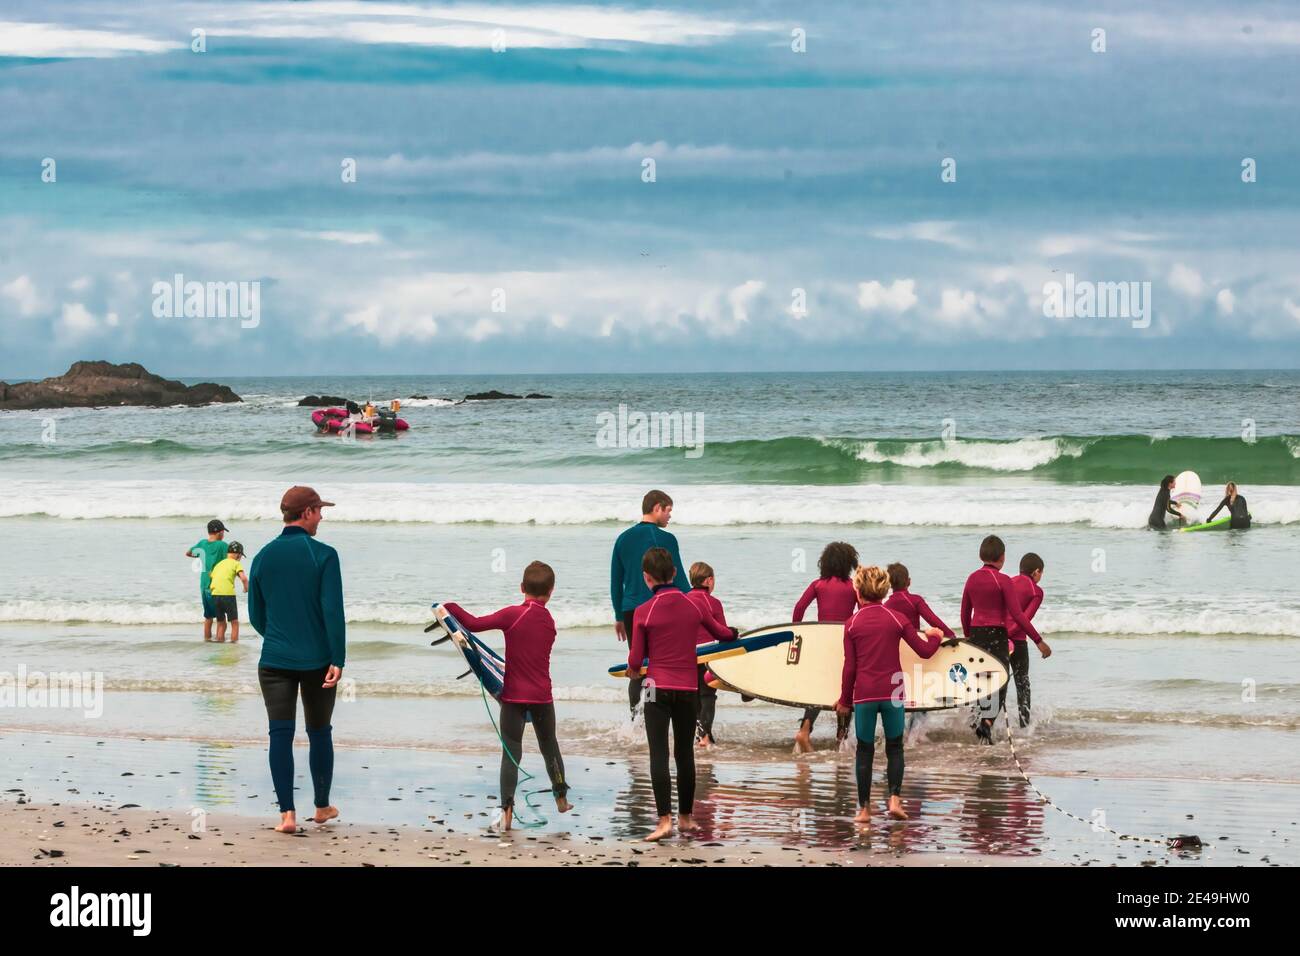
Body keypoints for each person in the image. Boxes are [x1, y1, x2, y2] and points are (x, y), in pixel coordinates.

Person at [444, 561, 572, 831]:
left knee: (511, 753)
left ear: (522, 587)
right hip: (542, 697)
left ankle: (507, 813)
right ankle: (561, 798)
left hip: (513, 698)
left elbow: (474, 624)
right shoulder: (550, 622)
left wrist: (449, 607)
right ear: (551, 592)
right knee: (549, 745)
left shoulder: (513, 615)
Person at [248, 486, 346, 834]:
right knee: (319, 732)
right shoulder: (324, 555)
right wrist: (338, 656)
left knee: (279, 734)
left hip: (273, 660)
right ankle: (321, 807)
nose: (321, 516)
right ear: (306, 512)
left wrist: (279, 638)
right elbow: (332, 611)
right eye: (319, 510)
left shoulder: (261, 556)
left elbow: (256, 615)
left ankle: (286, 816)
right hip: (318, 660)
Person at [629, 547, 738, 841]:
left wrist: (632, 671)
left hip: (654, 689)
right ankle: (686, 819)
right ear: (675, 573)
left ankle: (664, 821)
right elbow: (723, 633)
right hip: (688, 688)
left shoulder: (643, 611)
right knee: (684, 753)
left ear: (646, 577)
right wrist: (735, 635)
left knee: (658, 753)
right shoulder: (695, 606)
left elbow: (636, 659)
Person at [835, 566, 942, 822]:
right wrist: (935, 636)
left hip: (865, 693)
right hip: (893, 691)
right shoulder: (896, 618)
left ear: (858, 593)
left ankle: (864, 810)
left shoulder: (852, 624)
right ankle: (894, 801)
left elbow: (850, 668)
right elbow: (924, 651)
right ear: (884, 591)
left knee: (865, 750)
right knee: (895, 749)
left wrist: (844, 701)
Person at [611, 490, 690, 716]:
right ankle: (654, 713)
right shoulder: (666, 539)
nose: (669, 517)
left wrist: (618, 615)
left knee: (637, 667)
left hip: (630, 611)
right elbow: (681, 580)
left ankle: (636, 719)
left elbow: (616, 581)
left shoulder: (623, 538)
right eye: (668, 511)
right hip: (660, 609)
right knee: (654, 667)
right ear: (657, 508)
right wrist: (697, 604)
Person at [959, 535, 1044, 743]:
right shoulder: (1003, 580)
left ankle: (976, 722)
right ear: (1003, 557)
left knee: (980, 681)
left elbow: (964, 612)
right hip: (997, 635)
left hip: (977, 635)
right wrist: (1038, 640)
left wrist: (968, 634)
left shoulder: (971, 578)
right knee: (1001, 681)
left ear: (981, 555)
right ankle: (987, 724)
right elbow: (1018, 615)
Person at [791, 541, 860, 753]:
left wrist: (798, 632)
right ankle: (842, 738)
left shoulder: (818, 585)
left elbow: (799, 608)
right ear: (849, 563)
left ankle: (804, 730)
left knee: (818, 687)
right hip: (846, 641)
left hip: (821, 642)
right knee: (846, 688)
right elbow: (864, 610)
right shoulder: (853, 587)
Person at [684, 561, 734, 749]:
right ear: (709, 580)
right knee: (708, 695)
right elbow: (722, 632)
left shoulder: (684, 599)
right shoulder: (713, 602)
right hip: (708, 655)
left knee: (695, 695)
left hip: (687, 655)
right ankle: (704, 736)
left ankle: (701, 736)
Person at [1005, 553, 1053, 727]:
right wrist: (1039, 641)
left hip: (998, 639)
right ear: (1036, 572)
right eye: (1041, 573)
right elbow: (1024, 619)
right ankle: (1024, 725)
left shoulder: (1008, 582)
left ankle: (984, 723)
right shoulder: (1036, 591)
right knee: (1022, 682)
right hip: (1016, 641)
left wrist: (1003, 634)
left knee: (994, 683)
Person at [185, 519, 230, 641]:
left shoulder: (202, 544)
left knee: (208, 617)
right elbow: (232, 561)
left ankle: (207, 641)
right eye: (223, 532)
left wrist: (200, 555)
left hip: (204, 586)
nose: (224, 534)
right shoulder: (223, 545)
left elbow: (188, 553)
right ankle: (220, 644)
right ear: (219, 532)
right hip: (216, 586)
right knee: (221, 620)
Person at [208, 542, 249, 643]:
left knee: (221, 622)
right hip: (228, 595)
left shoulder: (219, 564)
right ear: (238, 554)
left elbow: (212, 576)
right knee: (234, 622)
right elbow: (244, 578)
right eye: (240, 556)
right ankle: (234, 645)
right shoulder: (236, 563)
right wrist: (246, 588)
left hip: (215, 595)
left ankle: (219, 642)